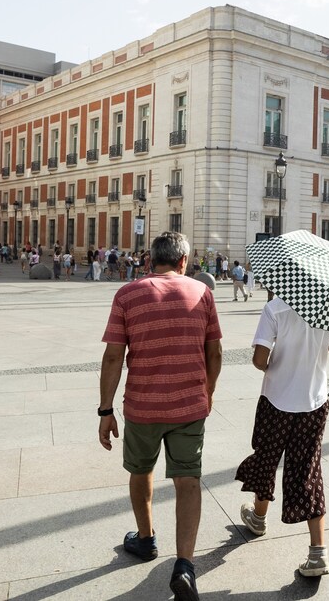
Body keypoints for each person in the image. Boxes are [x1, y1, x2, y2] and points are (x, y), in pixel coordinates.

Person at [98, 231, 223, 601]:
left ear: (150, 259)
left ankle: (146, 538)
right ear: (183, 261)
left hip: (143, 406)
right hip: (189, 406)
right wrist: (208, 392)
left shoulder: (127, 294)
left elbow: (113, 356)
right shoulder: (203, 293)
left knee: (141, 471)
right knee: (188, 479)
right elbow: (215, 352)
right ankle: (184, 565)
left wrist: (105, 410)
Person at [235, 290, 329, 578]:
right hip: (314, 402)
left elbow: (259, 360)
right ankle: (317, 553)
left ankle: (259, 518)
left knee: (267, 458)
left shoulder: (275, 308)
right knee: (307, 469)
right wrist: (319, 343)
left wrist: (282, 358)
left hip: (276, 400)